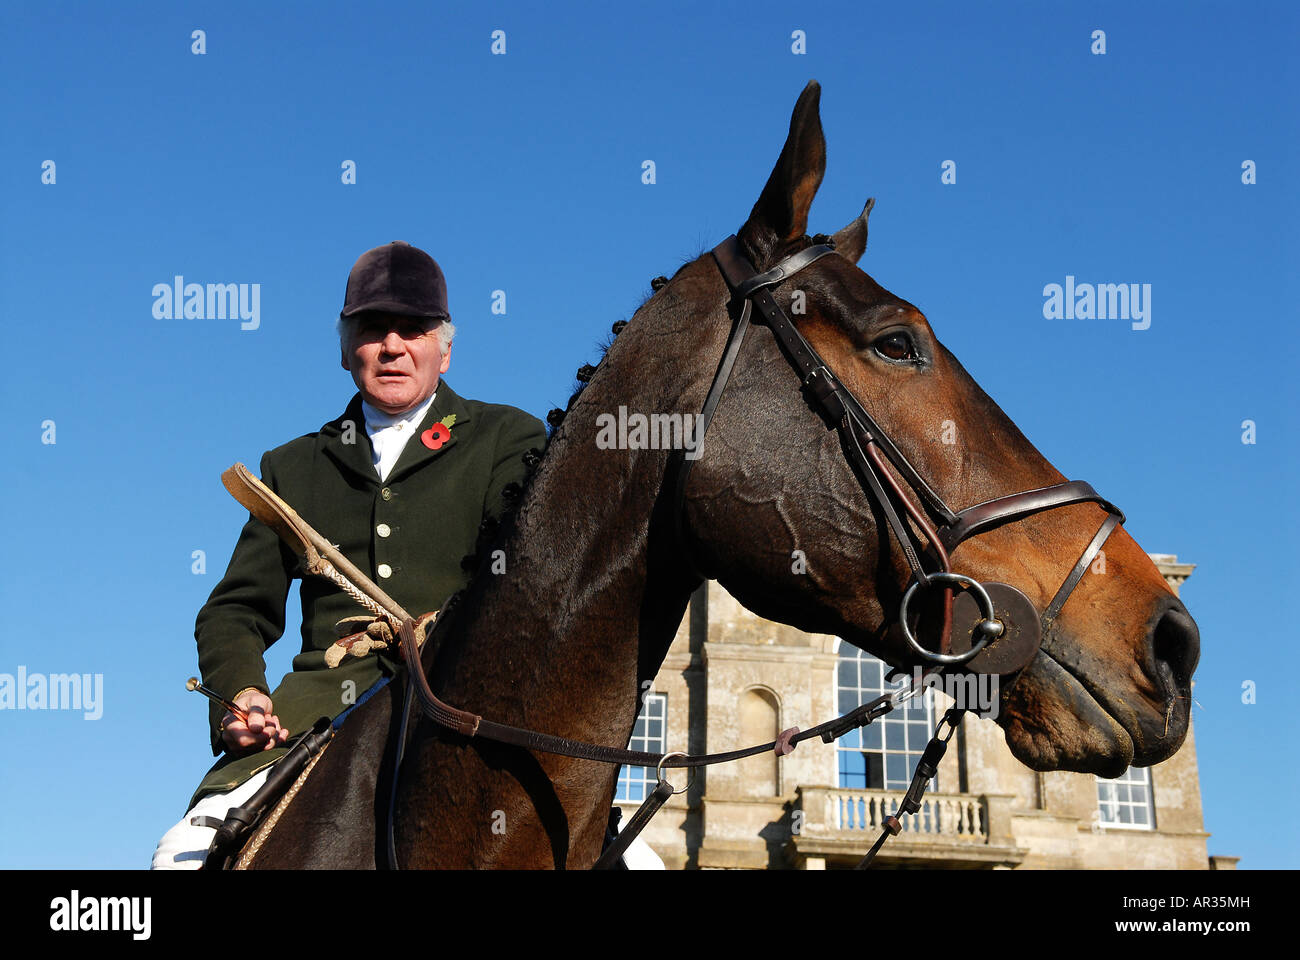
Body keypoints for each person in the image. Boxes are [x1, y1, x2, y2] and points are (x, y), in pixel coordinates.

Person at [152, 240, 547, 868]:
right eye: (371, 328)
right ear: (345, 349)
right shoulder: (294, 465)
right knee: (182, 855)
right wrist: (242, 694)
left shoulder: (509, 438)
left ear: (445, 347)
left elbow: (533, 583)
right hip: (317, 713)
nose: (393, 346)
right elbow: (235, 611)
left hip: (468, 703)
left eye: (413, 329)